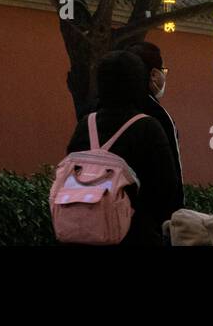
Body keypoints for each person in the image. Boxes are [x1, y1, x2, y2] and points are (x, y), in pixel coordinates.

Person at [65, 51, 182, 246]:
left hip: (82, 233)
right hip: (135, 235)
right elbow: (167, 191)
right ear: (138, 82)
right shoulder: (147, 127)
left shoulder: (86, 124)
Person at [125, 41, 183, 211]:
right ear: (154, 75)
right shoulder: (157, 115)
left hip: (98, 216)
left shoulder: (93, 114)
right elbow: (172, 177)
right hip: (146, 222)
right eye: (163, 71)